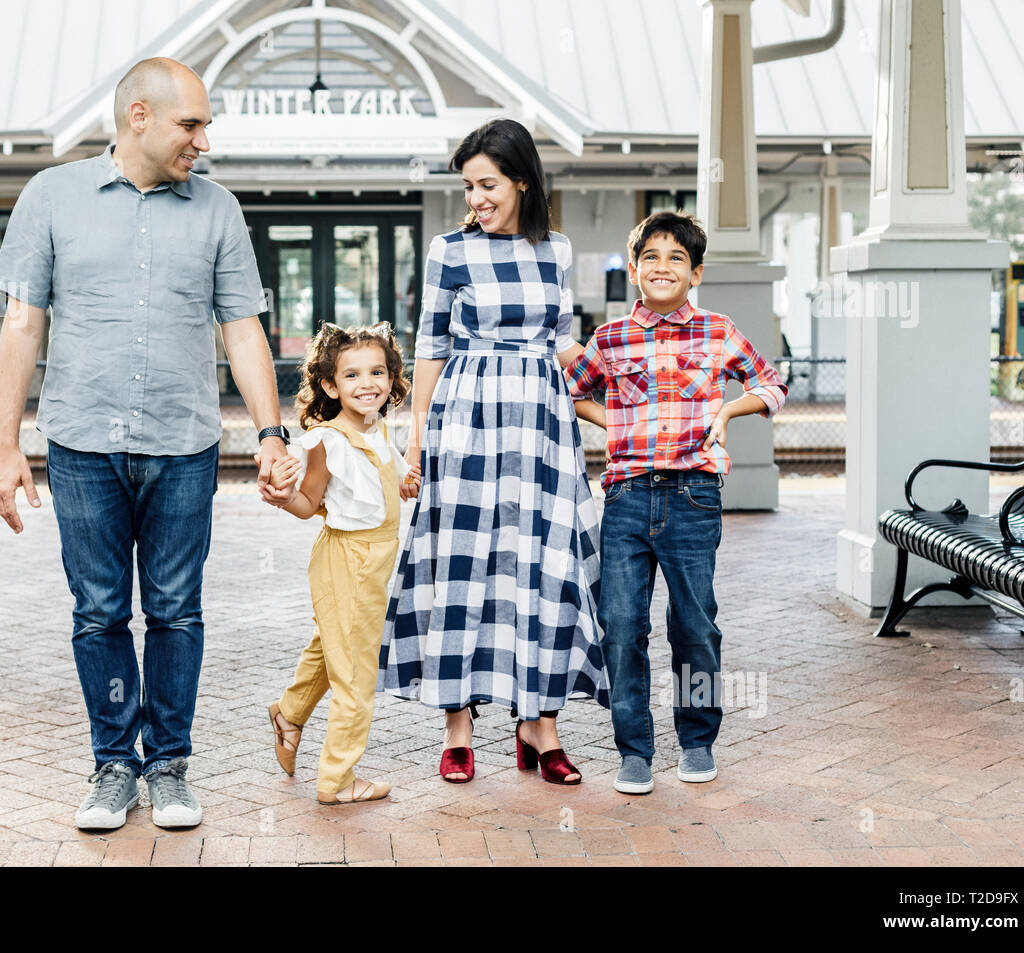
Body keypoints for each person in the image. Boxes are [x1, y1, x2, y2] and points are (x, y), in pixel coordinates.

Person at [0, 57, 294, 831]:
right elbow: (22, 325)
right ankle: (114, 765)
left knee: (175, 612)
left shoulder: (218, 210)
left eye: (205, 126)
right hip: (82, 445)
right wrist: (3, 445)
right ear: (139, 118)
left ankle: (168, 765)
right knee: (97, 614)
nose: (203, 141)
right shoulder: (52, 196)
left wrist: (269, 431)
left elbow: (242, 328)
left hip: (183, 445)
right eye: (191, 125)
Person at [381, 119, 608, 787]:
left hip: (541, 422)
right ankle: (458, 726)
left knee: (543, 567)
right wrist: (418, 441)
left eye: (487, 185)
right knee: (461, 563)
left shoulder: (558, 250)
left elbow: (564, 344)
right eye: (468, 186)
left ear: (523, 182)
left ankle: (540, 725)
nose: (475, 197)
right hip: (468, 415)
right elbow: (429, 346)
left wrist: (622, 398)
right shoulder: (449, 251)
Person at [562, 211, 787, 795]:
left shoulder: (717, 330)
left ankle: (696, 741)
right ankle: (634, 751)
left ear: (696, 273)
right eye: (652, 257)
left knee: (694, 626)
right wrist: (609, 419)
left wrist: (727, 411)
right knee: (620, 625)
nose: (664, 267)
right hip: (628, 498)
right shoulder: (611, 338)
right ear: (634, 269)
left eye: (677, 259)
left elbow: (772, 383)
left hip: (693, 495)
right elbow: (569, 392)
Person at [264, 323, 421, 805]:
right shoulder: (326, 440)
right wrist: (281, 498)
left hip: (375, 559)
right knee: (355, 672)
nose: (368, 383)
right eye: (352, 375)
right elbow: (310, 502)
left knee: (330, 645)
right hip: (347, 558)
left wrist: (406, 483)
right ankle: (336, 780)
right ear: (331, 387)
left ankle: (289, 714)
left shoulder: (377, 430)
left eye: (378, 371)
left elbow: (387, 480)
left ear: (393, 378)